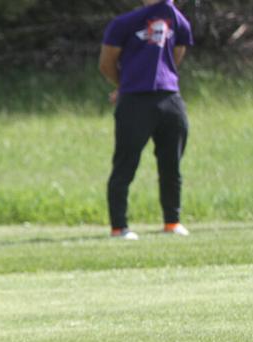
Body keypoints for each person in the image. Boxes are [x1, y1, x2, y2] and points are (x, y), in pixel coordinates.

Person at [99, 0, 193, 240]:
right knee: (125, 165)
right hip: (135, 102)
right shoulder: (123, 24)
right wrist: (126, 85)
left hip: (170, 99)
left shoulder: (179, 21)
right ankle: (119, 227)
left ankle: (172, 222)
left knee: (171, 165)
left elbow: (177, 52)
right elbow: (106, 63)